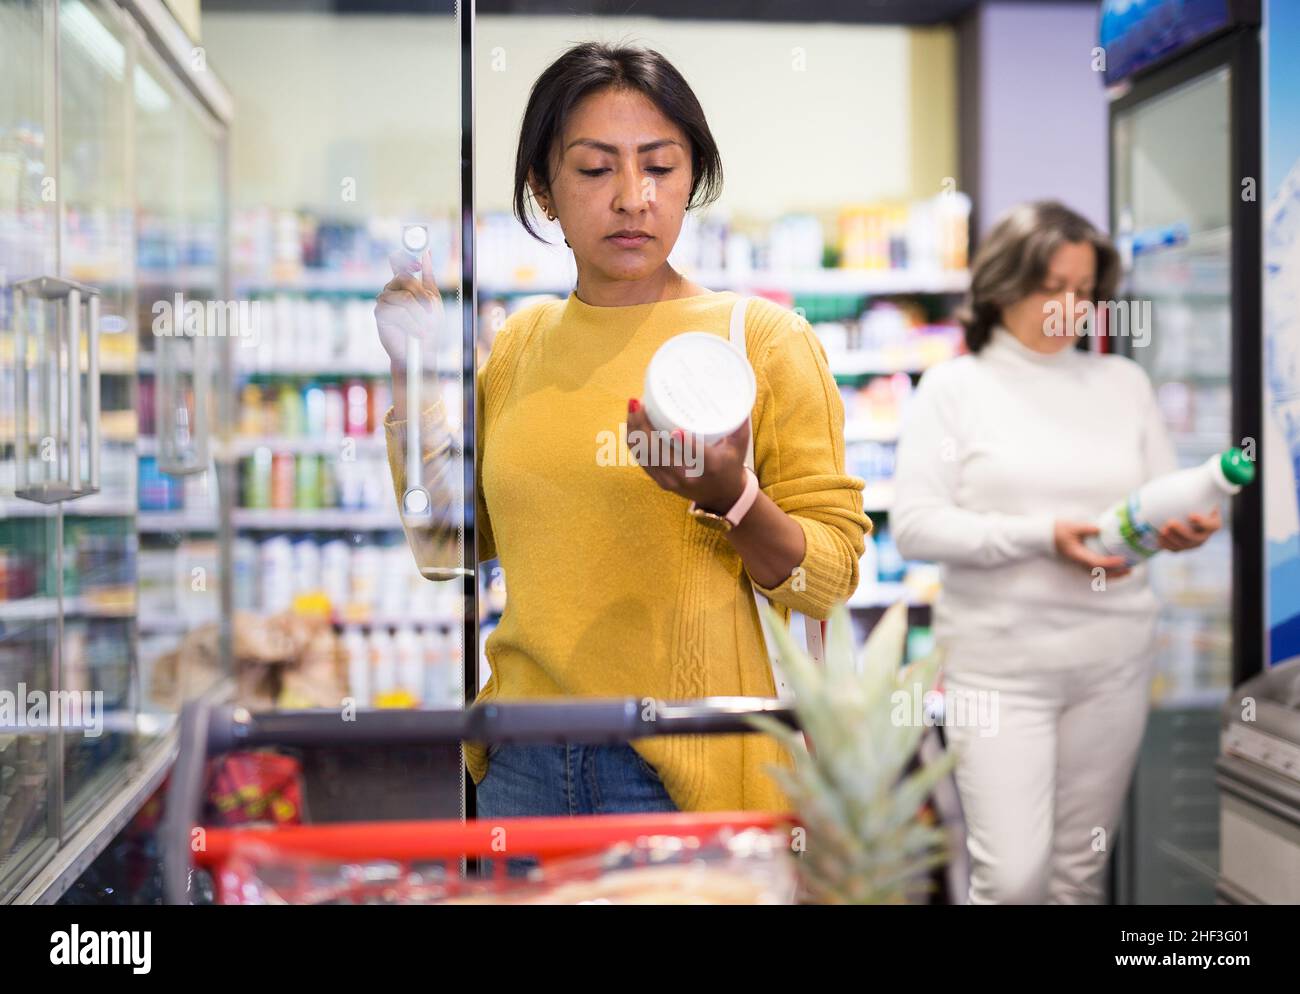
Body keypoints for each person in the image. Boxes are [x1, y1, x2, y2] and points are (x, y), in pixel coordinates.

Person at [373, 41, 871, 819]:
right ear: (545, 188)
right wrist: (408, 373)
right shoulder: (521, 344)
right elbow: (445, 549)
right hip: (522, 762)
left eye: (660, 167)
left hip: (694, 767)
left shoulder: (763, 341)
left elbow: (832, 576)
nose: (632, 196)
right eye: (597, 169)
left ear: (691, 181)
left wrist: (732, 497)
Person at [891, 200, 1220, 904]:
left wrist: (1180, 526)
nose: (1071, 306)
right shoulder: (957, 389)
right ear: (1004, 284)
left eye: (1085, 289)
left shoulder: (1122, 385)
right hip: (998, 673)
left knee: (1078, 877)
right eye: (1052, 286)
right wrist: (1043, 536)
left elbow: (1159, 501)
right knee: (1011, 880)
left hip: (1113, 663)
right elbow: (914, 527)